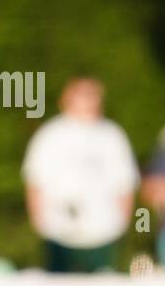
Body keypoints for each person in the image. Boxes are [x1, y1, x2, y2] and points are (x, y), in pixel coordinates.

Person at [22, 78, 139, 272]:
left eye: (93, 95)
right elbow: (35, 180)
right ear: (67, 99)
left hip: (103, 230)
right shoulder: (50, 134)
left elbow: (125, 182)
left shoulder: (112, 135)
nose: (89, 101)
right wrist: (40, 221)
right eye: (83, 95)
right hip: (58, 229)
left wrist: (121, 223)